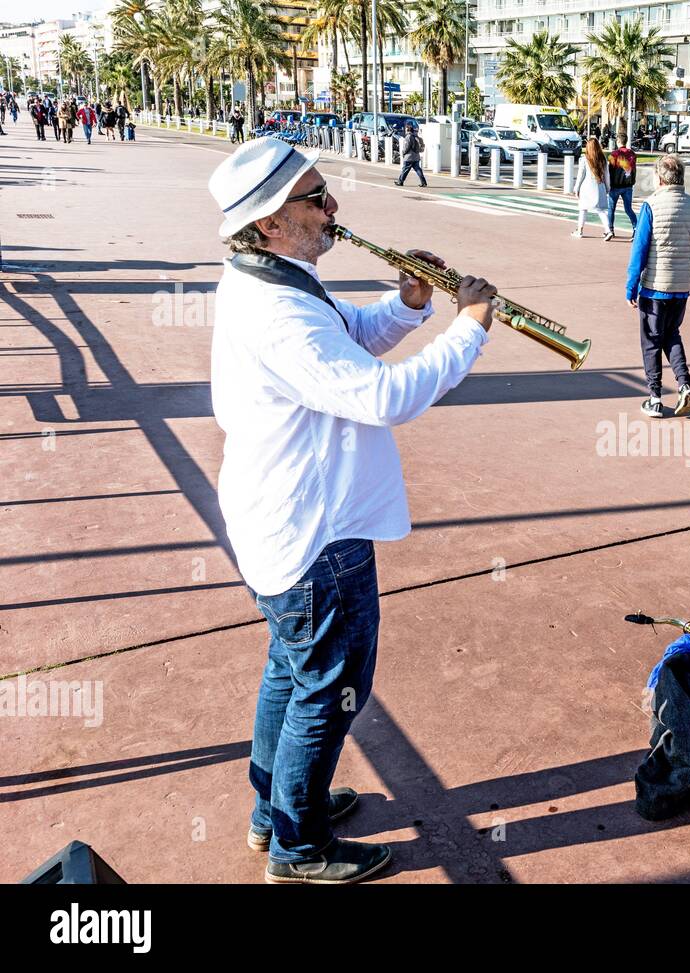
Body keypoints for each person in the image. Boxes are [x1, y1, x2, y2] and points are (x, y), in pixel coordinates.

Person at [206, 137, 498, 883]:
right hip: (314, 534)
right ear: (270, 220)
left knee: (290, 670)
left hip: (284, 520)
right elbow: (381, 395)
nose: (333, 207)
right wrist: (469, 330)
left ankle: (277, 811)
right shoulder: (278, 310)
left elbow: (352, 343)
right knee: (330, 689)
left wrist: (408, 307)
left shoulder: (274, 276)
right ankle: (298, 850)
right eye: (316, 198)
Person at [625, 154, 690, 420]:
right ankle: (684, 384)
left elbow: (639, 249)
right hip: (681, 286)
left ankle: (654, 397)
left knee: (651, 341)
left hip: (654, 287)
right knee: (671, 335)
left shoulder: (651, 205)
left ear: (659, 178)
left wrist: (631, 285)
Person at [573, 137, 614, 241]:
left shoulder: (584, 159)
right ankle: (608, 230)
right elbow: (607, 175)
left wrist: (576, 188)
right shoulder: (603, 159)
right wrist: (607, 187)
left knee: (583, 209)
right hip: (599, 187)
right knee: (600, 210)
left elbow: (580, 175)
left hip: (586, 188)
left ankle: (579, 230)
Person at [608, 138, 638, 231]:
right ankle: (636, 228)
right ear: (626, 141)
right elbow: (633, 169)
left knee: (611, 209)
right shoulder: (632, 154)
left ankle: (610, 230)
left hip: (615, 186)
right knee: (628, 209)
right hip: (628, 185)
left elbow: (610, 170)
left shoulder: (614, 154)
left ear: (618, 142)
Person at [394, 122, 427, 187]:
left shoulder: (408, 137)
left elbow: (407, 147)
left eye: (406, 129)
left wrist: (403, 153)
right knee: (418, 170)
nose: (405, 131)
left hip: (409, 157)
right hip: (416, 156)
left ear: (408, 130)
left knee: (405, 170)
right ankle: (423, 182)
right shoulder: (416, 136)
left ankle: (400, 181)